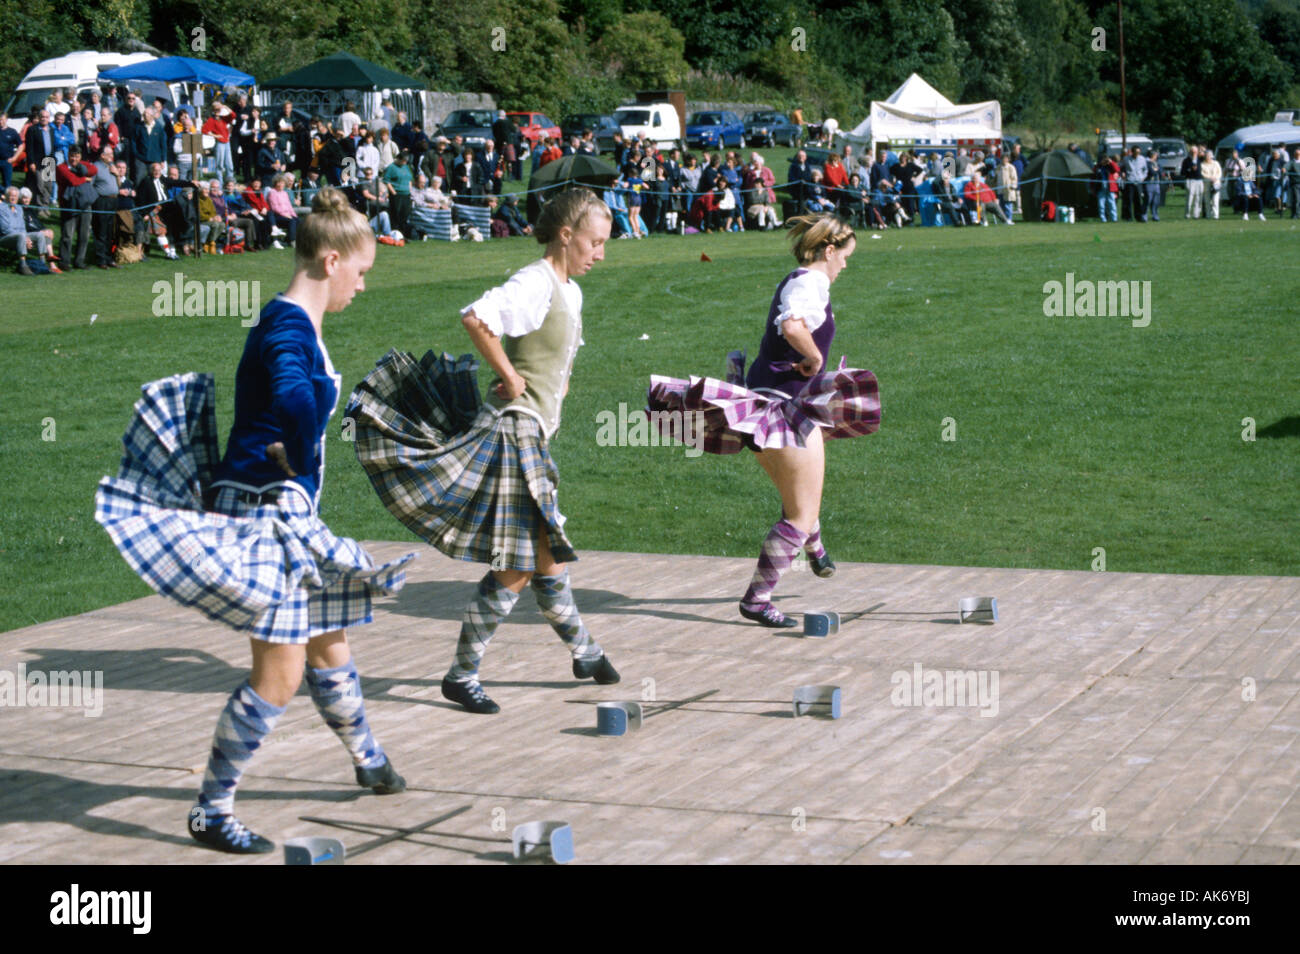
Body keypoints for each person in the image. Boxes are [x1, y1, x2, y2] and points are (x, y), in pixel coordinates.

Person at [93, 188, 414, 854]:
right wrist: (296, 454)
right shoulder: (291, 325)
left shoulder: (287, 318)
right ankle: (211, 809)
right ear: (331, 261)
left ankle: (369, 760)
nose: (363, 284)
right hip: (262, 517)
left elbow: (290, 396)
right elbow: (295, 397)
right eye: (362, 272)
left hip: (279, 511)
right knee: (282, 673)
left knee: (330, 639)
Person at [347, 188, 621, 714]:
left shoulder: (570, 292)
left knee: (545, 555)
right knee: (517, 562)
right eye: (595, 242)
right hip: (513, 433)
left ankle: (585, 654)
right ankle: (461, 674)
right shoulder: (535, 282)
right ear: (566, 236)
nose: (600, 253)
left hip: (532, 433)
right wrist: (510, 375)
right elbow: (476, 317)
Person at [646, 214, 880, 628]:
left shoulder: (802, 279)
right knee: (800, 514)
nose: (846, 265)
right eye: (845, 257)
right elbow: (792, 326)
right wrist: (813, 358)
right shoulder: (810, 283)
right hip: (783, 411)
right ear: (829, 251)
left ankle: (816, 550)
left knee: (803, 497)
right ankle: (758, 599)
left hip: (769, 408)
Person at [1200, 147, 1222, 220]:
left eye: (1209, 155)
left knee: (1215, 200)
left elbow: (1219, 172)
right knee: (1207, 200)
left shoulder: (1216, 163)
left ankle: (1216, 216)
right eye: (1207, 155)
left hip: (1216, 184)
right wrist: (1210, 178)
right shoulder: (1202, 164)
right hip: (1206, 184)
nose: (1208, 157)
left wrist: (1216, 178)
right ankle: (1208, 215)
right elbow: (1202, 174)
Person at [1181, 145, 1203, 218]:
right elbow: (1182, 172)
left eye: (1195, 152)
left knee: (1198, 198)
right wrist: (1190, 169)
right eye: (1192, 152)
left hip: (1199, 180)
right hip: (1190, 180)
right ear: (1190, 152)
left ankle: (1196, 214)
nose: (1194, 153)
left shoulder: (1200, 160)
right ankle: (1187, 214)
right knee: (1190, 198)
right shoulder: (1186, 160)